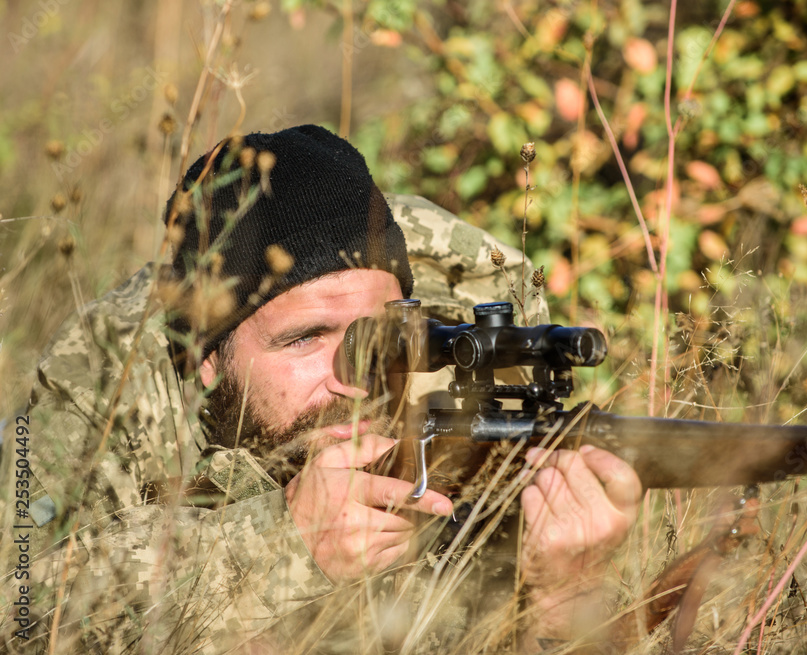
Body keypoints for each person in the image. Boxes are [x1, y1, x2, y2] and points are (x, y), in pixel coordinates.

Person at [1, 125, 641, 653]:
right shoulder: (105, 389)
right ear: (205, 359)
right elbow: (19, 613)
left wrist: (564, 602)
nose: (353, 380)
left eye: (378, 334)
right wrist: (282, 545)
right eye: (305, 338)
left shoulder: (453, 371)